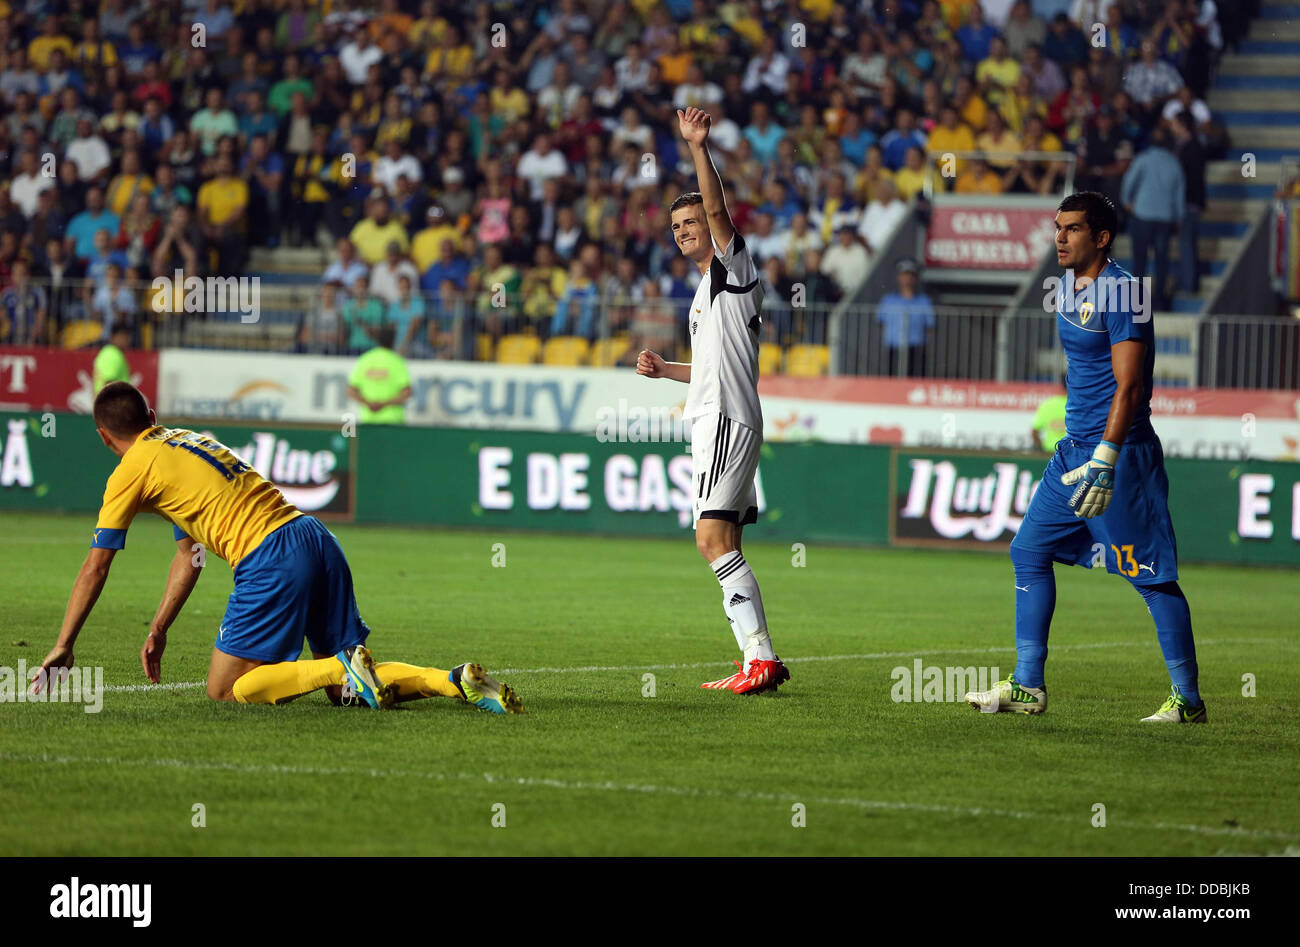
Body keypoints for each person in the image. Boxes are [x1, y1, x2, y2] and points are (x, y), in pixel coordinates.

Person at [31, 382, 519, 713]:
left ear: (102, 436)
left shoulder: (130, 471)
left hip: (270, 557)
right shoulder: (187, 442)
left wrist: (64, 645)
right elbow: (190, 554)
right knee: (342, 693)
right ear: (152, 417)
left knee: (224, 692)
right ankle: (451, 680)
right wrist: (158, 628)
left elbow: (96, 568)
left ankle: (341, 663)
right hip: (315, 538)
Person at [965, 191, 1204, 723]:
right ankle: (1028, 685)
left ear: (1101, 237)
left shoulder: (1124, 294)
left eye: (1073, 229)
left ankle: (1187, 699)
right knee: (1027, 550)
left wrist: (1107, 455)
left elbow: (1131, 386)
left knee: (1149, 575)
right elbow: (1083, 370)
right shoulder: (1065, 288)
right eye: (1057, 227)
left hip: (1116, 458)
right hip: (1071, 454)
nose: (1060, 237)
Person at [635, 107, 789, 696]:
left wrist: (699, 148)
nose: (684, 231)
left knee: (708, 539)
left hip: (724, 420)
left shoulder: (731, 267)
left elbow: (721, 210)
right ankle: (755, 658)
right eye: (676, 227)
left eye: (692, 221)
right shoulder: (704, 291)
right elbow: (712, 367)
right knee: (726, 541)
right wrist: (666, 370)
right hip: (714, 413)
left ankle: (762, 658)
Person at [1120, 127, 1185, 312]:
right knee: (1161, 260)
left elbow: (1129, 181)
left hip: (1143, 215)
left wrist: (1127, 201)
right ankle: (1160, 301)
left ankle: (1137, 303)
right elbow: (1179, 193)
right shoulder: (1174, 163)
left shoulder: (1143, 159)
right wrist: (1178, 217)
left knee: (1139, 260)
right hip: (1165, 218)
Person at [877, 258, 934, 377]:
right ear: (898, 277)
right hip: (894, 346)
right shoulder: (889, 300)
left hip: (915, 346)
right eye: (904, 275)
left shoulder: (924, 301)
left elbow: (930, 326)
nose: (907, 279)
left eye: (910, 275)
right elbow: (882, 322)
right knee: (891, 378)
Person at [347, 324, 412, 424]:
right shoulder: (396, 361)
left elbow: (351, 391)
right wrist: (383, 404)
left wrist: (369, 404)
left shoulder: (365, 359)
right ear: (393, 341)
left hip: (368, 419)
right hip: (393, 420)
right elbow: (407, 393)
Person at [1033, 374, 1068, 453]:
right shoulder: (1080, 406)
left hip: (1050, 453)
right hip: (1073, 454)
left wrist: (1041, 450)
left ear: (1061, 386)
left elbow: (1034, 432)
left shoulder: (1048, 405)